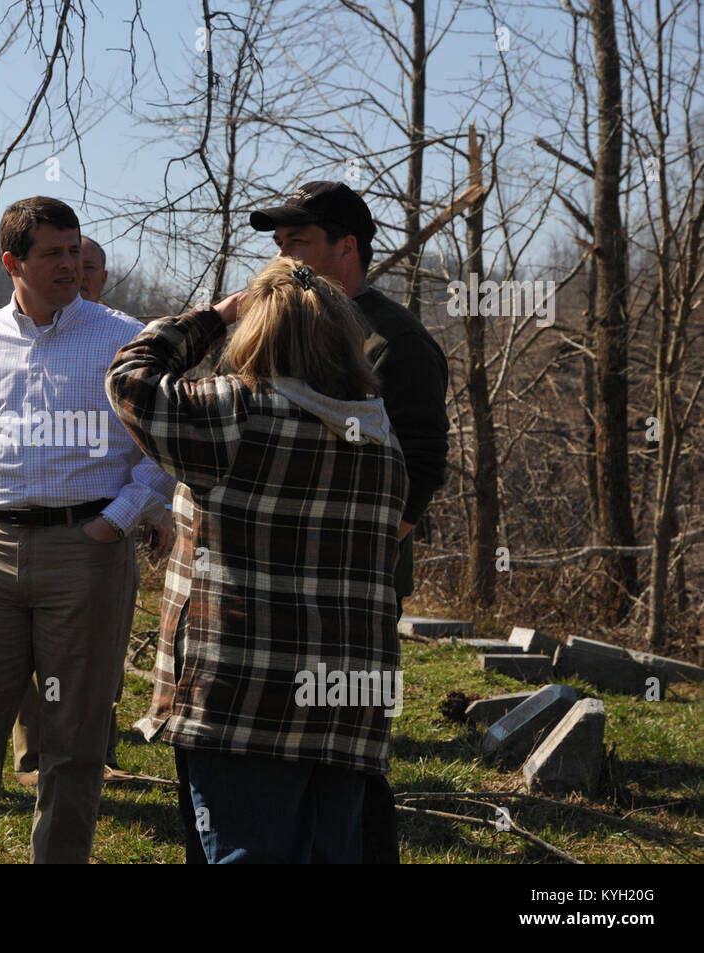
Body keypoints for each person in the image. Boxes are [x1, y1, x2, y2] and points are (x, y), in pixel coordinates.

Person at [106, 257, 409, 863]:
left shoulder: (236, 415)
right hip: (348, 702)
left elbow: (129, 376)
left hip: (244, 699)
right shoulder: (380, 437)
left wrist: (215, 317)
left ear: (257, 332)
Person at [0, 197, 171, 864]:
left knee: (75, 737)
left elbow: (163, 450)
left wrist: (115, 523)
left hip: (85, 551)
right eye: (53, 254)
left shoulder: (123, 339)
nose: (70, 264)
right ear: (13, 263)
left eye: (74, 249)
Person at [249, 181, 450, 864]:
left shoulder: (395, 339)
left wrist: (362, 552)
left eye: (298, 244)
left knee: (350, 755)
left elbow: (421, 468)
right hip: (274, 578)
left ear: (347, 248)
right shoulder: (282, 325)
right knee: (281, 747)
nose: (282, 259)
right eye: (278, 245)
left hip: (356, 588)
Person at [8, 234, 174, 787]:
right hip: (32, 530)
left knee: (99, 647)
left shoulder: (125, 340)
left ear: (100, 276)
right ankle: (33, 759)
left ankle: (94, 753)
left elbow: (153, 443)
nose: (77, 272)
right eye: (63, 261)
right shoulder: (20, 341)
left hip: (105, 526)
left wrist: (132, 513)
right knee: (33, 651)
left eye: (88, 265)